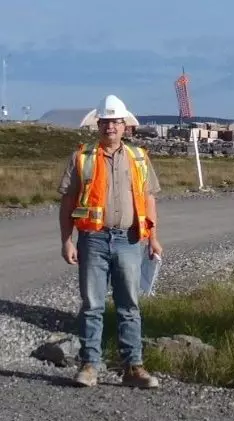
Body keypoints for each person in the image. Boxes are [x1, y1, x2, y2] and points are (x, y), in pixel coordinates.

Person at [58, 94, 162, 388]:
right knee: (92, 305)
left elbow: (148, 199)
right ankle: (89, 365)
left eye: (115, 122)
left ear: (124, 125)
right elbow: (67, 204)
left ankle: (133, 368)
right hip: (92, 239)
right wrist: (67, 241)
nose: (110, 127)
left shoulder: (139, 158)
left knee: (129, 305)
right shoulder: (82, 158)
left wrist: (153, 239)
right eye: (105, 122)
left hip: (129, 240)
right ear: (98, 125)